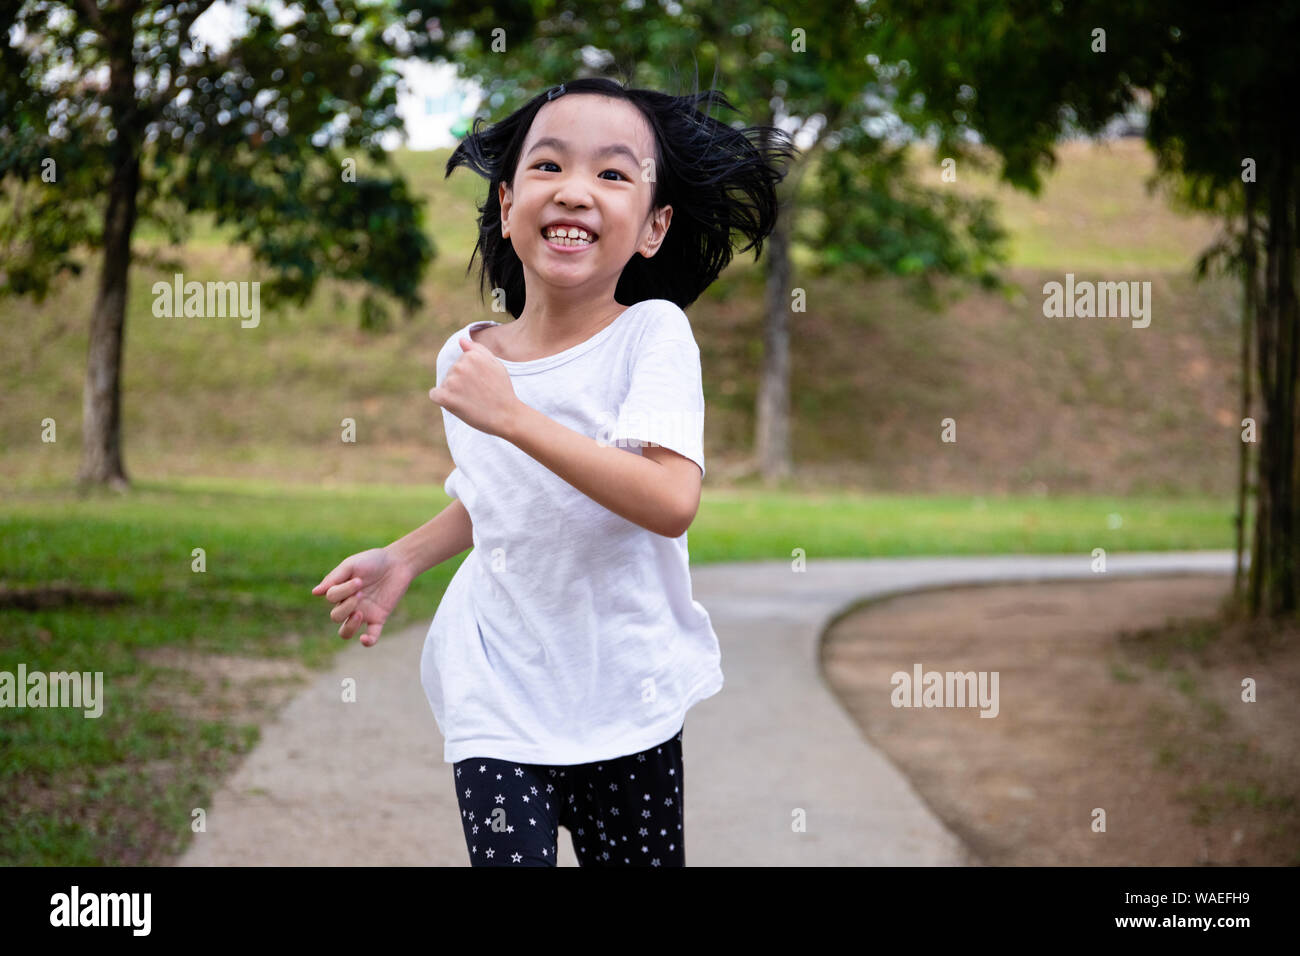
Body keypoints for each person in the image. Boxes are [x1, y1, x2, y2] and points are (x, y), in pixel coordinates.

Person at [312, 75, 796, 866]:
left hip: (626, 697)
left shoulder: (653, 336)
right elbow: (499, 498)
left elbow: (671, 499)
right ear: (506, 206)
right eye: (548, 167)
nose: (575, 192)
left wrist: (515, 416)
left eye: (612, 174)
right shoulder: (469, 358)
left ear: (653, 226)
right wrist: (401, 556)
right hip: (498, 691)